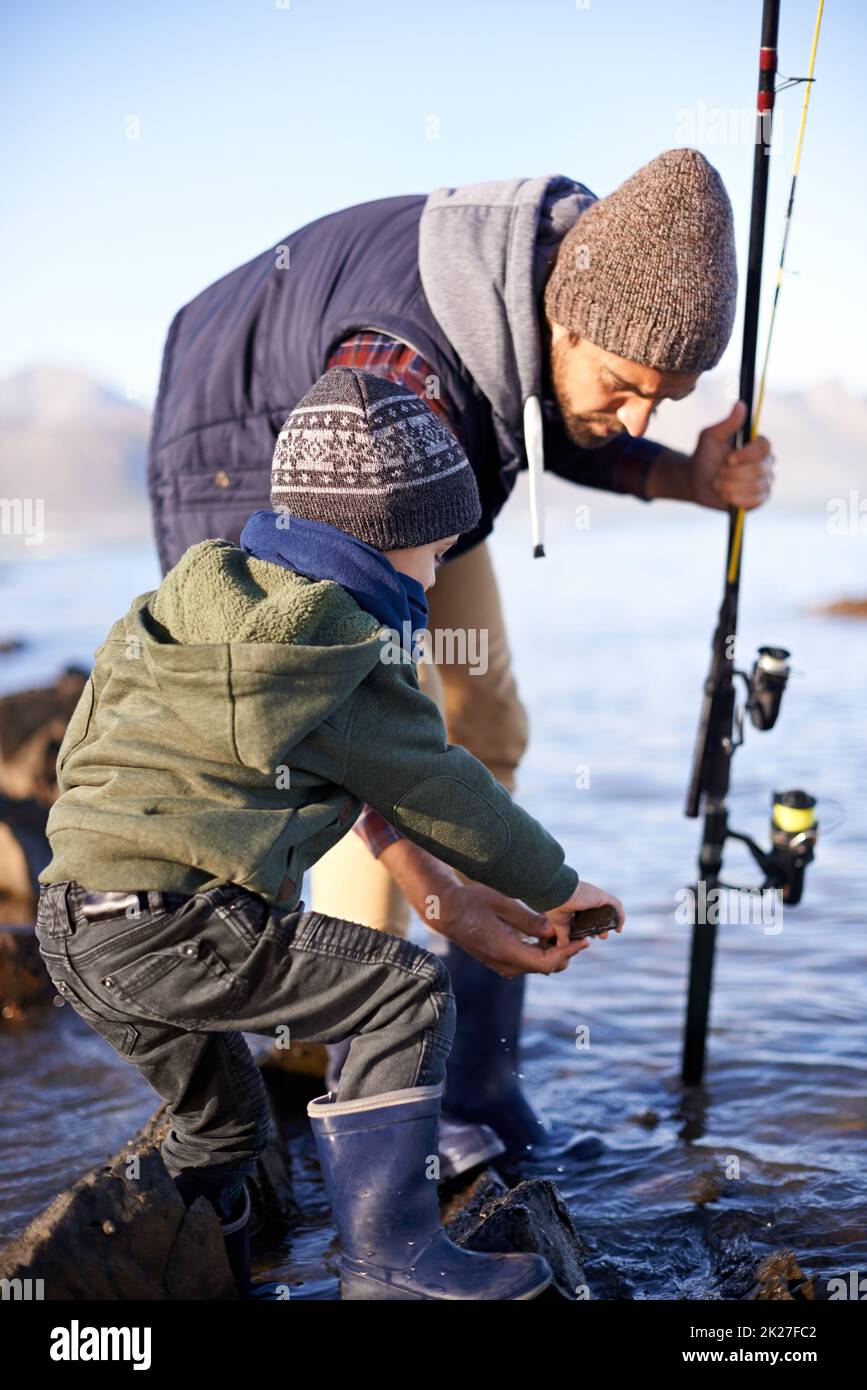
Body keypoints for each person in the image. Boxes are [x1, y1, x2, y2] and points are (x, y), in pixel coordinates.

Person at [147, 147, 771, 1160]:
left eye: (672, 397)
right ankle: (366, 1080)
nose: (642, 418)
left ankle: (476, 1075)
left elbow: (564, 406)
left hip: (436, 458)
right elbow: (343, 730)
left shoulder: (577, 277)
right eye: (628, 387)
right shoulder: (400, 379)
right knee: (351, 737)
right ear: (559, 325)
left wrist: (689, 480)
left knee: (486, 723)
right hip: (245, 446)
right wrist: (433, 881)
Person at [35, 366, 625, 1302]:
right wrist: (555, 883)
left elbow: (94, 744)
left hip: (74, 922)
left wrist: (444, 892)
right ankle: (391, 1262)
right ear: (384, 549)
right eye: (436, 553)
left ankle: (201, 1275)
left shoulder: (195, 607)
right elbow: (440, 783)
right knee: (404, 992)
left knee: (224, 1130)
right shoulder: (338, 647)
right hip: (179, 927)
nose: (437, 576)